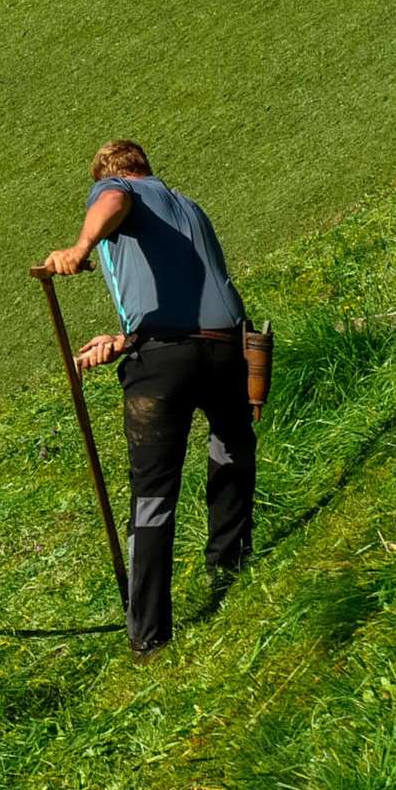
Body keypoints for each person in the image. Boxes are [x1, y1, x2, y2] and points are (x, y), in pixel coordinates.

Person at [39, 140, 254, 653]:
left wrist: (79, 249)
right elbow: (188, 295)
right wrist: (124, 339)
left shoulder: (115, 189)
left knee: (153, 494)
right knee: (231, 451)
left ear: (110, 175)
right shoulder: (187, 206)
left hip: (164, 363)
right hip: (228, 349)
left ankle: (150, 636)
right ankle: (231, 567)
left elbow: (113, 201)